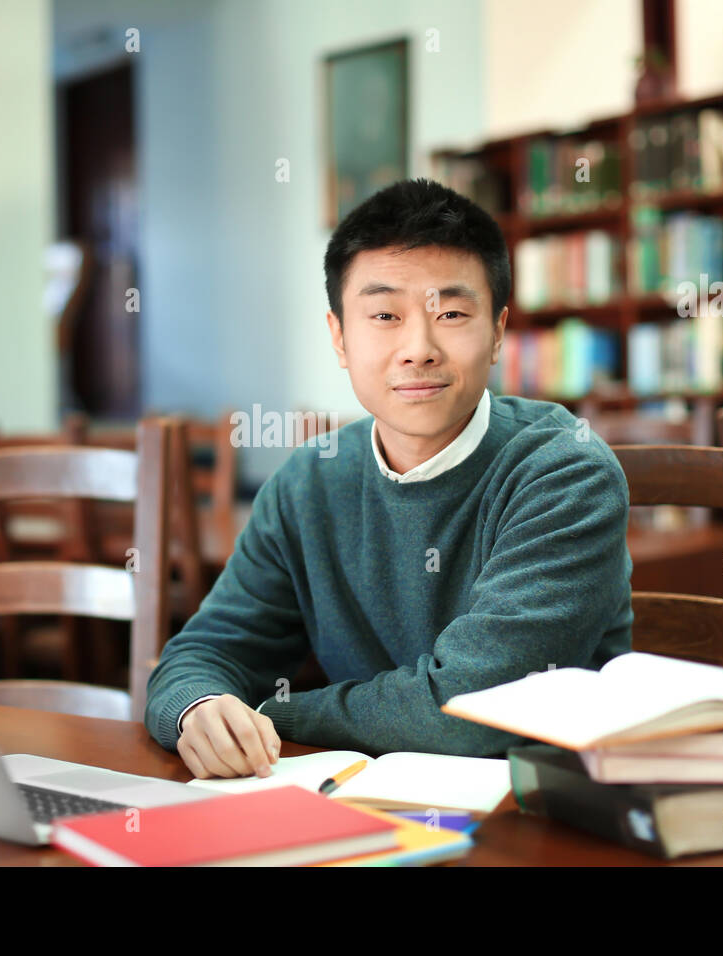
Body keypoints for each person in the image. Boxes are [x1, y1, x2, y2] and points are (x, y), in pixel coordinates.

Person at [144, 178, 632, 779]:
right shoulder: (308, 483)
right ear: (340, 337)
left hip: (538, 819)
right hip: (363, 808)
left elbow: (476, 710)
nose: (418, 348)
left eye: (451, 313)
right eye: (384, 315)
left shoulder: (564, 473)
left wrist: (268, 715)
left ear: (499, 331)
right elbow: (207, 651)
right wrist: (201, 709)